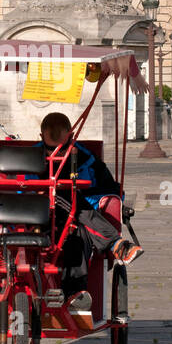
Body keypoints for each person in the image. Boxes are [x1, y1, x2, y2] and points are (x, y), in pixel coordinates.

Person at [32, 112, 141, 312]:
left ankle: (75, 293)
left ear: (71, 139)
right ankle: (115, 243)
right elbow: (19, 189)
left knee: (78, 235)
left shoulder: (86, 158)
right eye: (49, 148)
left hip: (77, 221)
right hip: (40, 217)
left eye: (61, 148)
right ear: (41, 139)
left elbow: (111, 190)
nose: (54, 153)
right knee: (59, 195)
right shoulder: (29, 157)